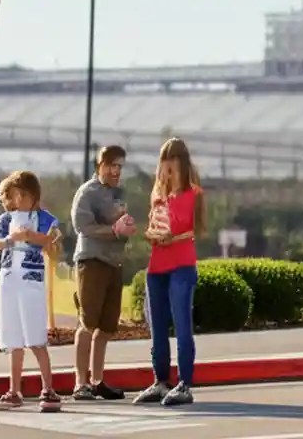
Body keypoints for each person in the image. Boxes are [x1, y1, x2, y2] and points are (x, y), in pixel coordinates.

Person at [134, 137, 204, 407]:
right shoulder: (157, 195)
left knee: (182, 327)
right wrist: (152, 235)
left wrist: (169, 238)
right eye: (165, 160)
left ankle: (185, 383)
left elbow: (191, 230)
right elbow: (155, 226)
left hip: (182, 266)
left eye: (173, 160)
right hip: (157, 267)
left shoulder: (192, 193)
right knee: (158, 328)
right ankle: (160, 381)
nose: (168, 166)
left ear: (182, 163)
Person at [0, 170, 63, 412]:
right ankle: (14, 390)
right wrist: (10, 240)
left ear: (22, 195)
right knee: (13, 337)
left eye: (11, 196)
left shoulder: (45, 219)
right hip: (9, 280)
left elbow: (53, 245)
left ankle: (48, 388)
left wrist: (31, 236)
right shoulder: (5, 220)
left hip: (32, 281)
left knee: (35, 336)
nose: (9, 203)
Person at [71, 145, 136, 401]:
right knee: (87, 321)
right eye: (111, 165)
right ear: (99, 165)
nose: (116, 171)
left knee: (107, 326)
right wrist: (113, 230)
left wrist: (126, 228)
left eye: (120, 166)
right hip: (92, 261)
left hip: (114, 263)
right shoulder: (88, 192)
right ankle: (80, 383)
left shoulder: (119, 194)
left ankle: (97, 381)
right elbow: (82, 226)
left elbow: (119, 227)